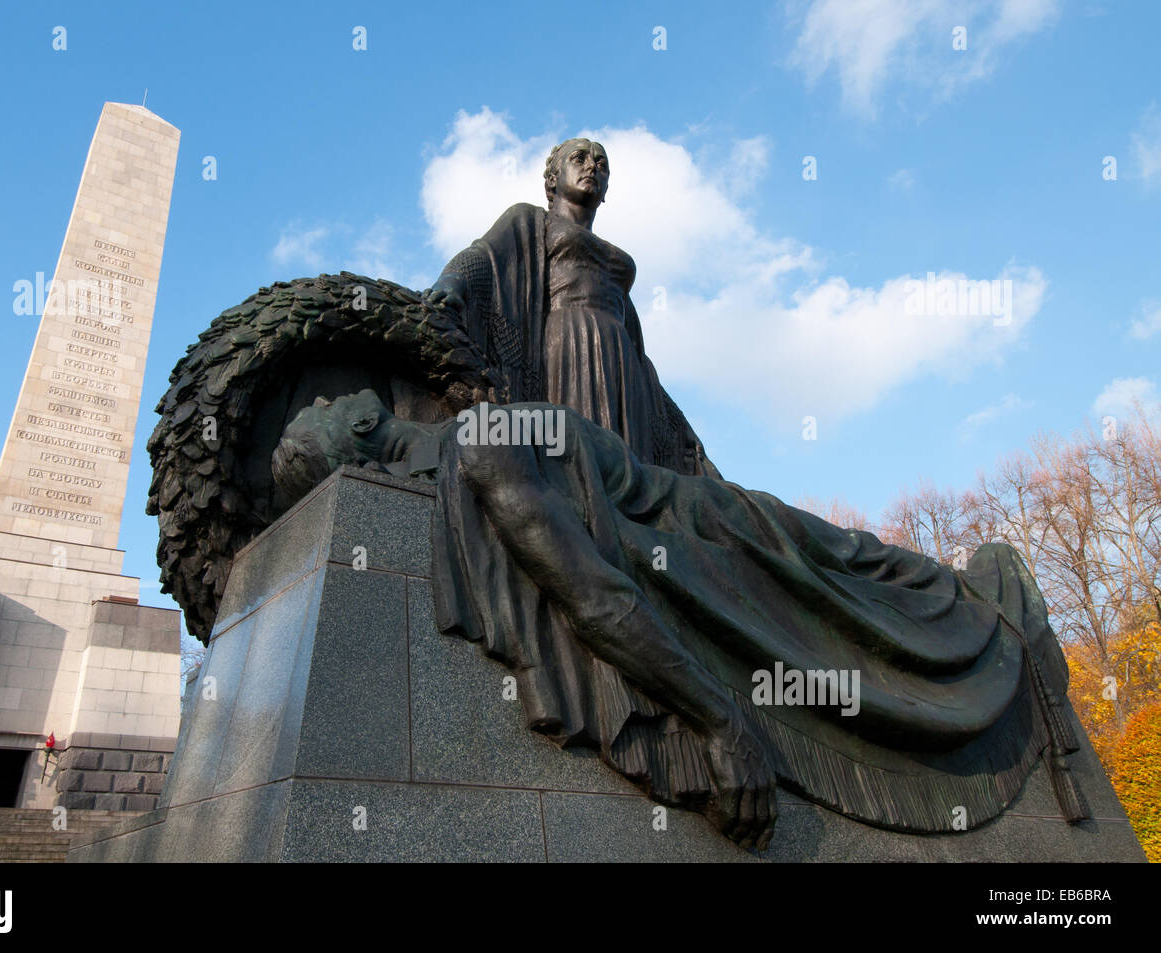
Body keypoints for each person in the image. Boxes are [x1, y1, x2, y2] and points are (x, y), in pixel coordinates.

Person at [273, 391, 1087, 850]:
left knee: (872, 573)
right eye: (314, 410)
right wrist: (723, 719)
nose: (320, 394)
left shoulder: (471, 435)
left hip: (710, 520)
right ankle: (986, 618)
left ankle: (980, 608)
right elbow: (594, 596)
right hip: (716, 532)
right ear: (358, 433)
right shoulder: (483, 445)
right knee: (869, 577)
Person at [422, 138, 717, 477]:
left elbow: (640, 353)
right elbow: (485, 255)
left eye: (602, 163)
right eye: (580, 158)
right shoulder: (531, 220)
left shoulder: (615, 256)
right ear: (552, 179)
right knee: (574, 454)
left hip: (620, 357)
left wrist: (679, 424)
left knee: (629, 464)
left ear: (606, 189)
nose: (593, 166)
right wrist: (452, 283)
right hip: (566, 342)